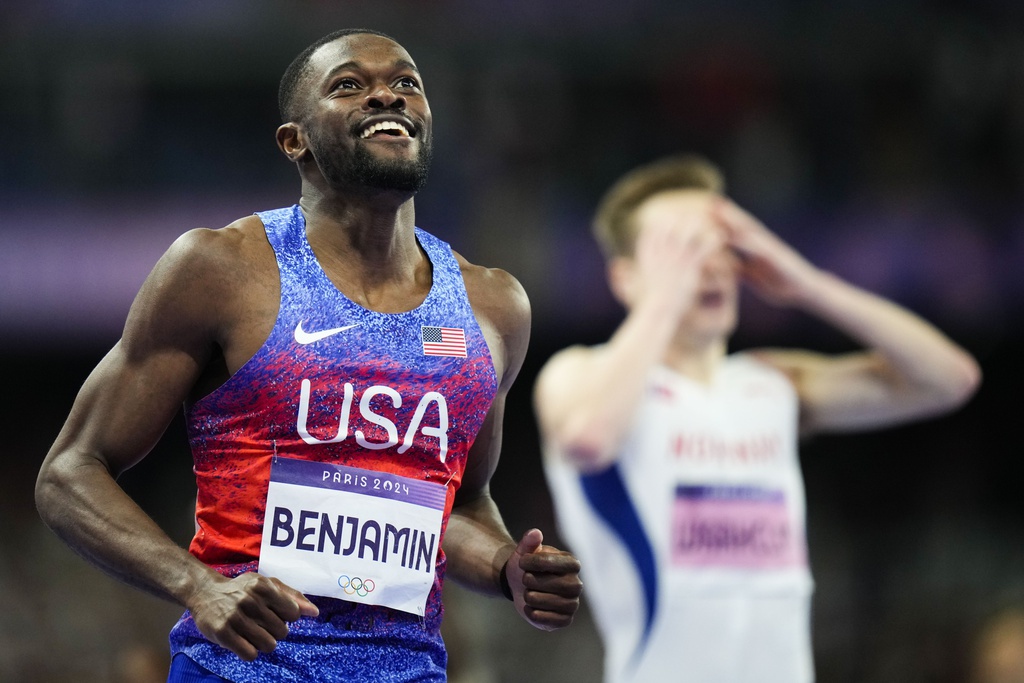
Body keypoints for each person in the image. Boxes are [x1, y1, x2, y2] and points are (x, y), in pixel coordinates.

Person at [35, 28, 582, 683]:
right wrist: (198, 584)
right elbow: (68, 472)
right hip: (240, 671)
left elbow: (458, 504)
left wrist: (505, 567)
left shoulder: (494, 307)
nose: (388, 93)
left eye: (407, 83)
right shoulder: (223, 269)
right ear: (294, 141)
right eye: (350, 85)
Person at [533, 154, 981, 683]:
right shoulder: (581, 372)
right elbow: (589, 439)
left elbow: (950, 380)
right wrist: (662, 301)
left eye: (722, 248)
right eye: (682, 250)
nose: (711, 265)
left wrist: (808, 283)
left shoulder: (771, 384)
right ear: (624, 278)